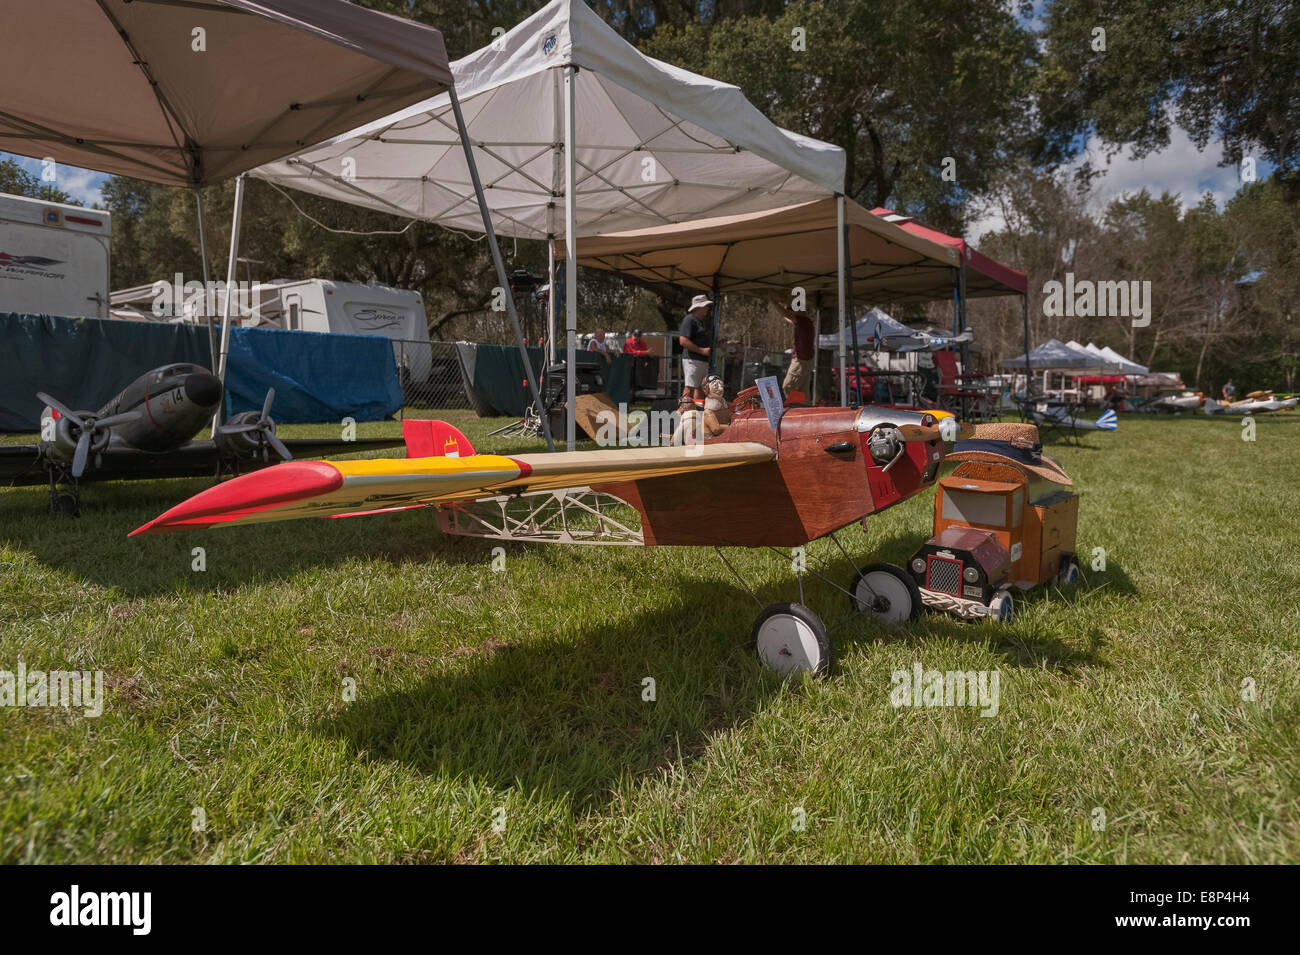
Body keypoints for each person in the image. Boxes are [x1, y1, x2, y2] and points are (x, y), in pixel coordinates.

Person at [769, 290, 814, 398]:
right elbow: (787, 316)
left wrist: (773, 301)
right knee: (803, 391)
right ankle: (804, 410)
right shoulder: (805, 321)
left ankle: (795, 407)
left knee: (788, 386)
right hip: (807, 360)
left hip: (801, 360)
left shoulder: (802, 321)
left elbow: (786, 314)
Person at [678, 294, 713, 406]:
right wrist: (702, 350)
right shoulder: (689, 320)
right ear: (698, 307)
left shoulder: (701, 321)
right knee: (690, 387)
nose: (708, 308)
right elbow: (683, 341)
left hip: (702, 360)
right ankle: (684, 413)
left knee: (700, 387)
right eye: (706, 306)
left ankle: (698, 411)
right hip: (692, 360)